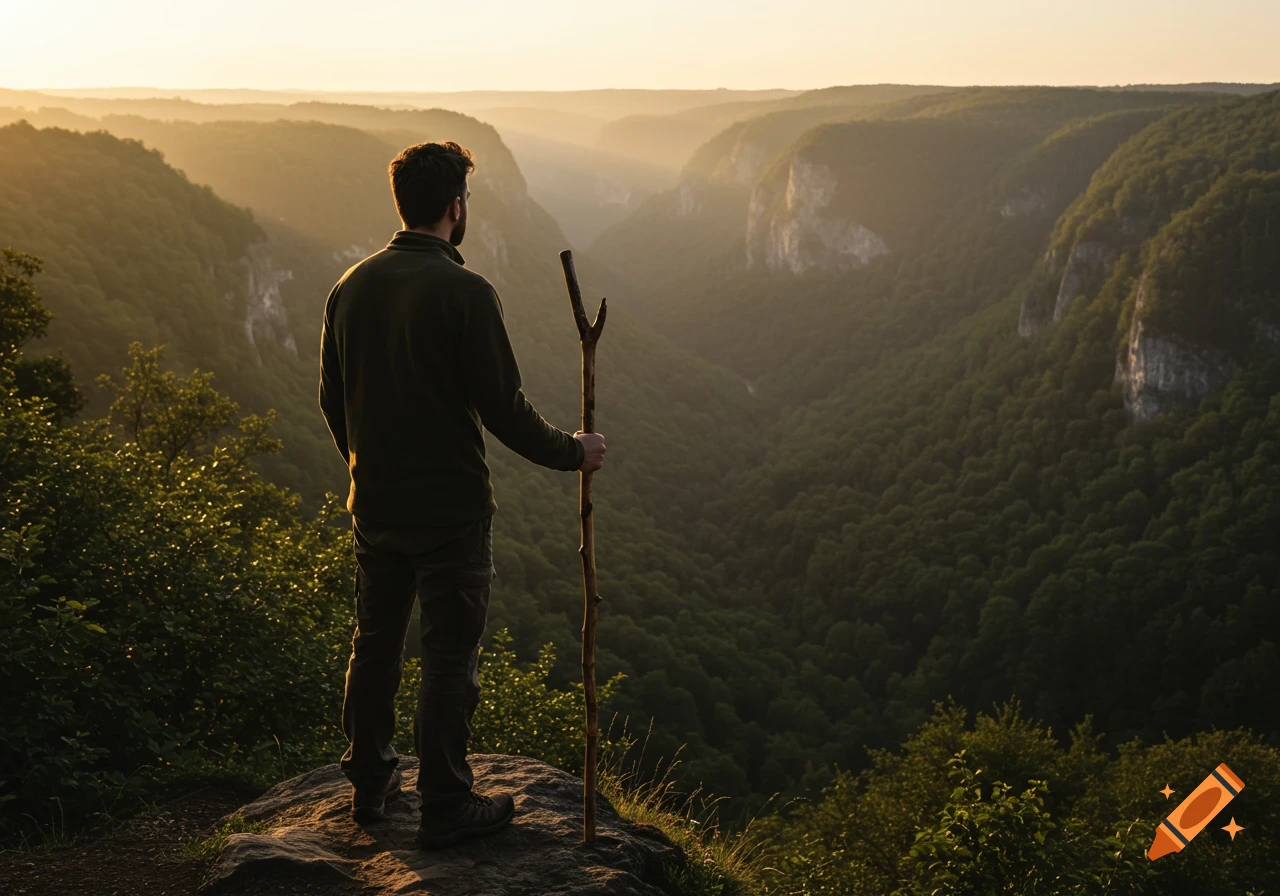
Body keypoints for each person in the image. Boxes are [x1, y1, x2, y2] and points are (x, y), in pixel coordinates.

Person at [318, 141, 606, 849]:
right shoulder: (466, 292)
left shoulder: (350, 285)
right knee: (449, 658)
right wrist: (575, 453)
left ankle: (369, 787)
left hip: (375, 509)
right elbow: (503, 409)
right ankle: (445, 802)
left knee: (375, 645)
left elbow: (332, 399)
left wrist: (367, 467)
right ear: (456, 207)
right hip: (450, 515)